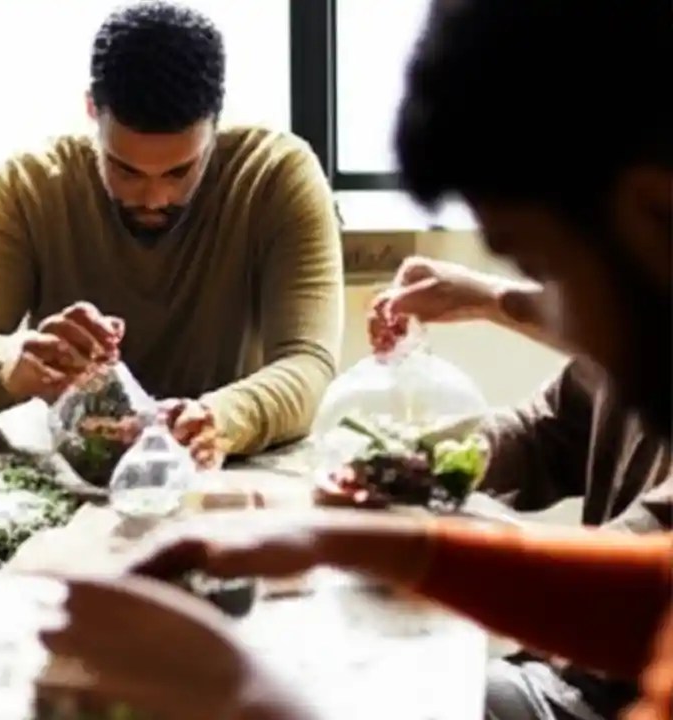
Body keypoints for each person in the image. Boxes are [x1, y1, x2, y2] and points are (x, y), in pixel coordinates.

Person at [126, 1, 672, 718]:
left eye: (546, 266)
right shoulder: (630, 353)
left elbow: (641, 582)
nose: (550, 317)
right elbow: (638, 566)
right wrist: (368, 511)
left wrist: (373, 539)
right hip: (566, 679)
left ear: (654, 210)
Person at [0, 0, 343, 468]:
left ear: (215, 124)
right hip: (75, 470)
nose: (153, 198)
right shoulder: (30, 185)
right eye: (124, 169)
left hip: (228, 471)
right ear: (92, 110)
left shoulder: (276, 176)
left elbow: (310, 363)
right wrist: (12, 362)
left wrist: (222, 418)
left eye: (180, 171)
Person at [373, 256, 673, 718]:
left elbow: (636, 555)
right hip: (573, 669)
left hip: (625, 690)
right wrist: (437, 461)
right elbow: (544, 431)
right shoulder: (632, 318)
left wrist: (380, 541)